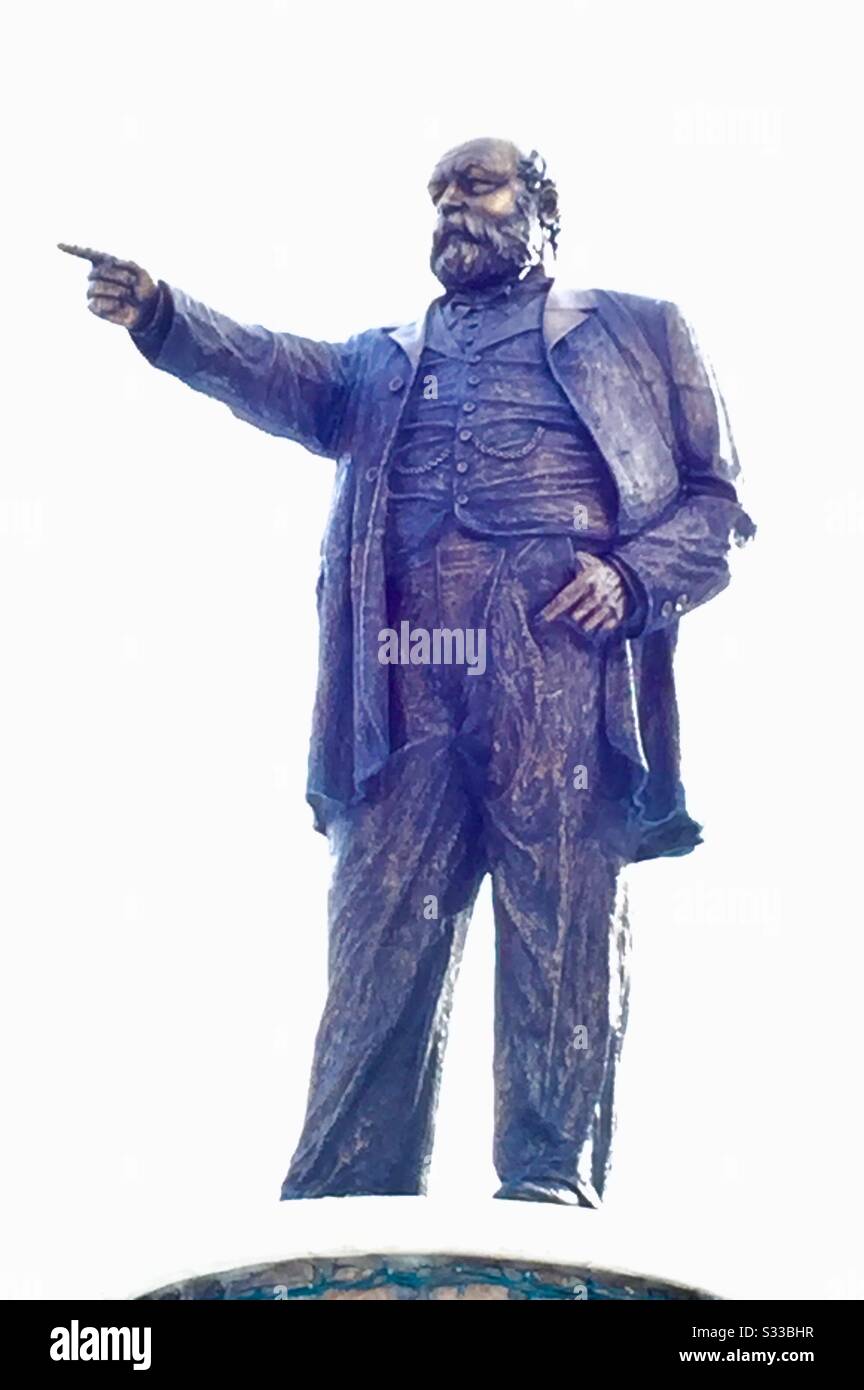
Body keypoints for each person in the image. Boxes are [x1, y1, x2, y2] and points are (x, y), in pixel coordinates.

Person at [60, 136, 754, 1206]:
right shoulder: (380, 358)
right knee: (378, 916)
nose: (451, 208)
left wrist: (630, 579)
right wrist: (163, 312)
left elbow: (717, 507)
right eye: (436, 194)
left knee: (557, 914)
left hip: (558, 653)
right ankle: (344, 1191)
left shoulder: (642, 330)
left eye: (475, 185)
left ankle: (548, 1180)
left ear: (541, 210)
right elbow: (270, 366)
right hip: (404, 666)